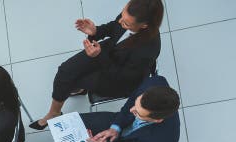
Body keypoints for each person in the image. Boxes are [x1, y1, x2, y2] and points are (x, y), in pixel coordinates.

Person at [29, 0, 164, 130]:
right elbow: (114, 27)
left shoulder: (147, 51)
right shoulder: (129, 16)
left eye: (127, 23)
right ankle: (55, 112)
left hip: (117, 79)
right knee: (65, 71)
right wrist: (96, 31)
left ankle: (78, 88)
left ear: (144, 25)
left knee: (72, 80)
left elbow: (120, 76)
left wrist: (99, 56)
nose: (121, 21)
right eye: (122, 16)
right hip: (108, 52)